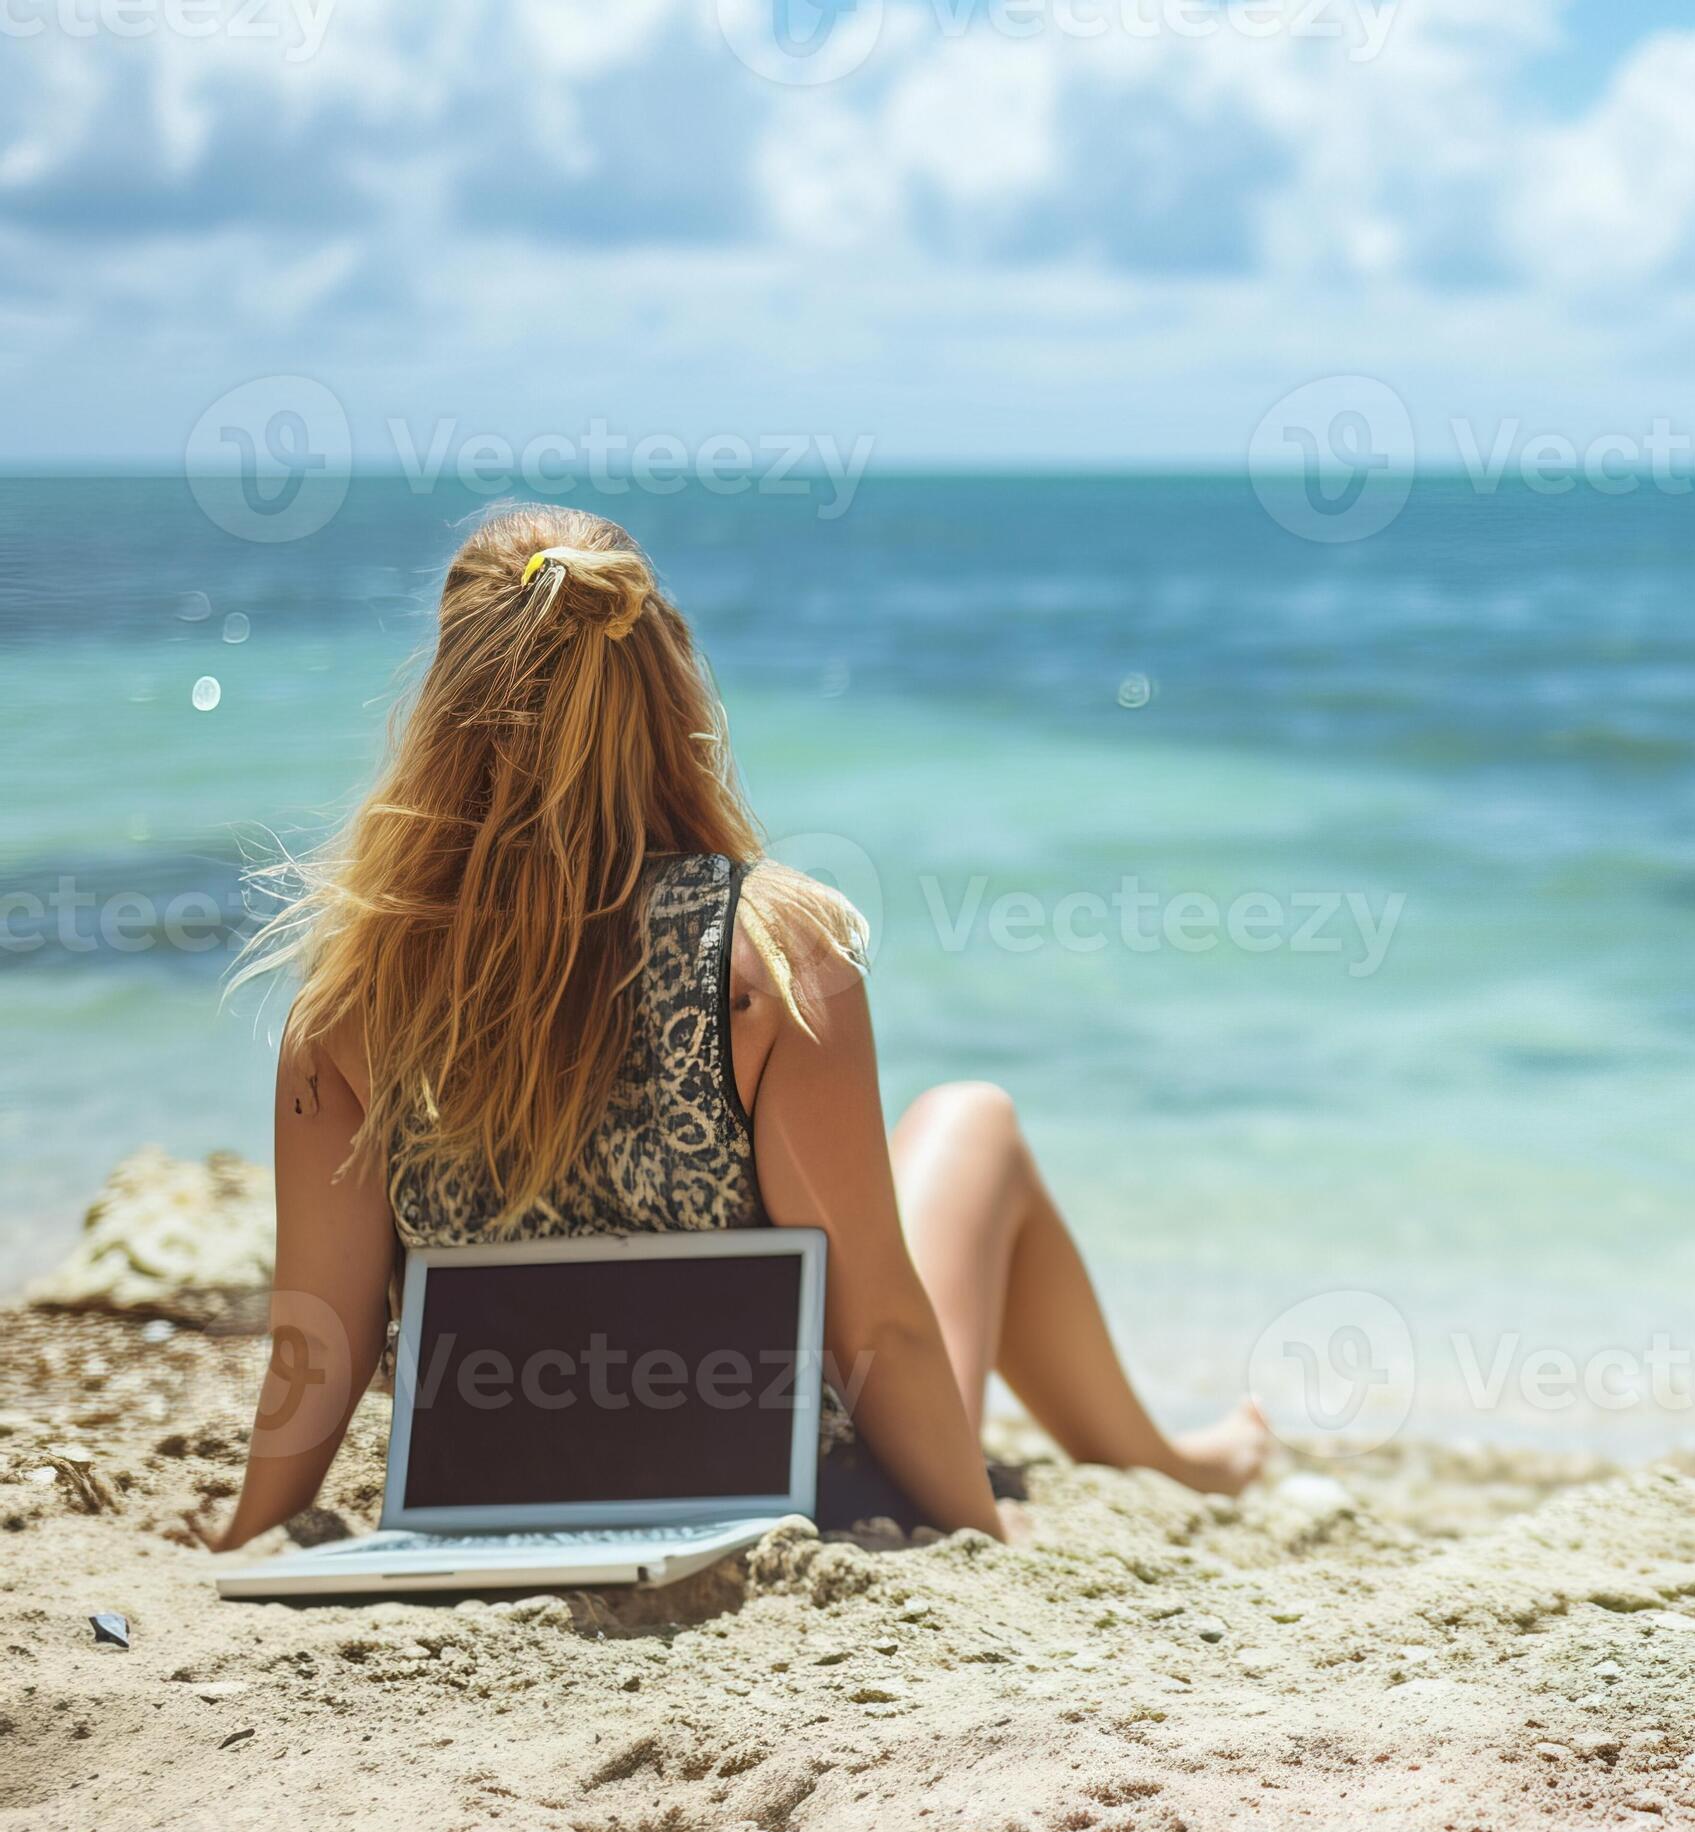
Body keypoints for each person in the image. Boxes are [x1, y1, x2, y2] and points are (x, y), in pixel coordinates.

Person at [199, 505, 1267, 1552]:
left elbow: (319, 1342)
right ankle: (1171, 1461)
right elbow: (879, 1326)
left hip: (492, 1497)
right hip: (779, 1482)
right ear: (669, 680)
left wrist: (253, 1528)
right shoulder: (764, 956)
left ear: (446, 701)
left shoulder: (355, 999)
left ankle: (1175, 1458)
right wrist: (977, 1529)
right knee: (971, 1120)